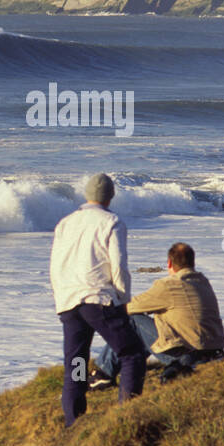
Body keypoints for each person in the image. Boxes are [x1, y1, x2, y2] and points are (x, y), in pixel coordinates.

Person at [49, 173, 148, 426]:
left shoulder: (65, 223)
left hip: (69, 300)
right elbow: (119, 267)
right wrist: (123, 300)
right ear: (111, 196)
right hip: (98, 298)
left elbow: (55, 265)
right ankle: (127, 417)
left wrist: (61, 297)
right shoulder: (112, 222)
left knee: (77, 362)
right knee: (131, 353)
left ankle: (74, 422)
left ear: (86, 194)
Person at [94, 242, 224, 386]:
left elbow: (132, 307)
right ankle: (129, 364)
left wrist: (103, 307)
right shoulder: (202, 282)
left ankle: (104, 372)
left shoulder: (170, 286)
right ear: (192, 261)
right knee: (145, 329)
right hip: (213, 350)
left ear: (169, 263)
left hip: (186, 354)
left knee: (134, 320)